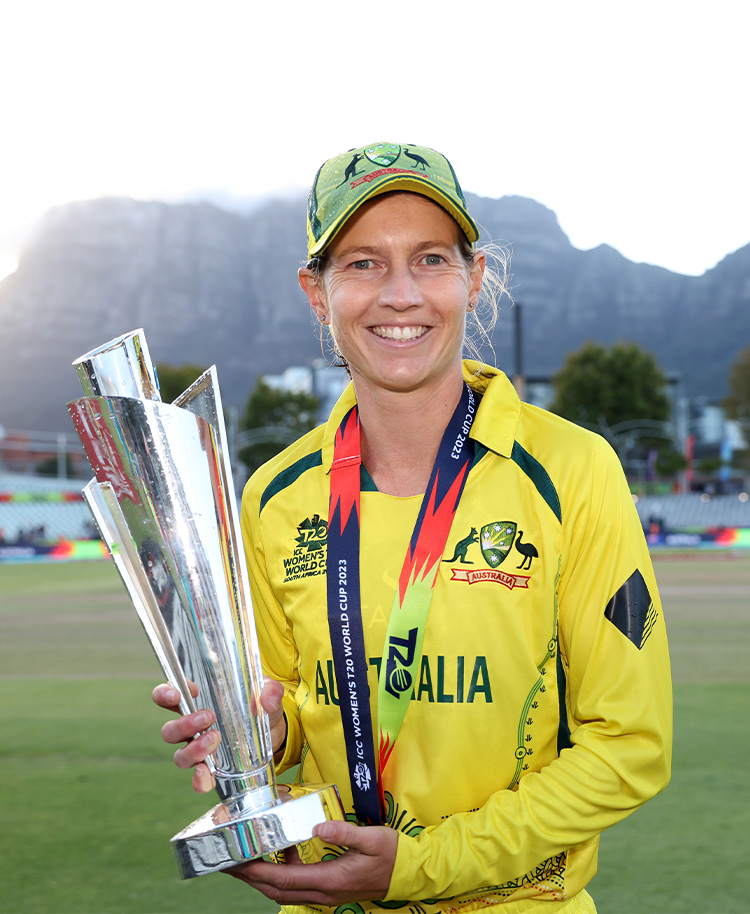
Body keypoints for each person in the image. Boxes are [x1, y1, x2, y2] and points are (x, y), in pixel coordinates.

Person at [154, 142, 672, 914]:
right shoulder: (276, 495)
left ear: (474, 278)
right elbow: (289, 700)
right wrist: (257, 729)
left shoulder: (573, 471)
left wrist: (425, 864)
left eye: (430, 259)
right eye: (363, 263)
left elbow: (630, 745)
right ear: (317, 293)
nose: (400, 295)